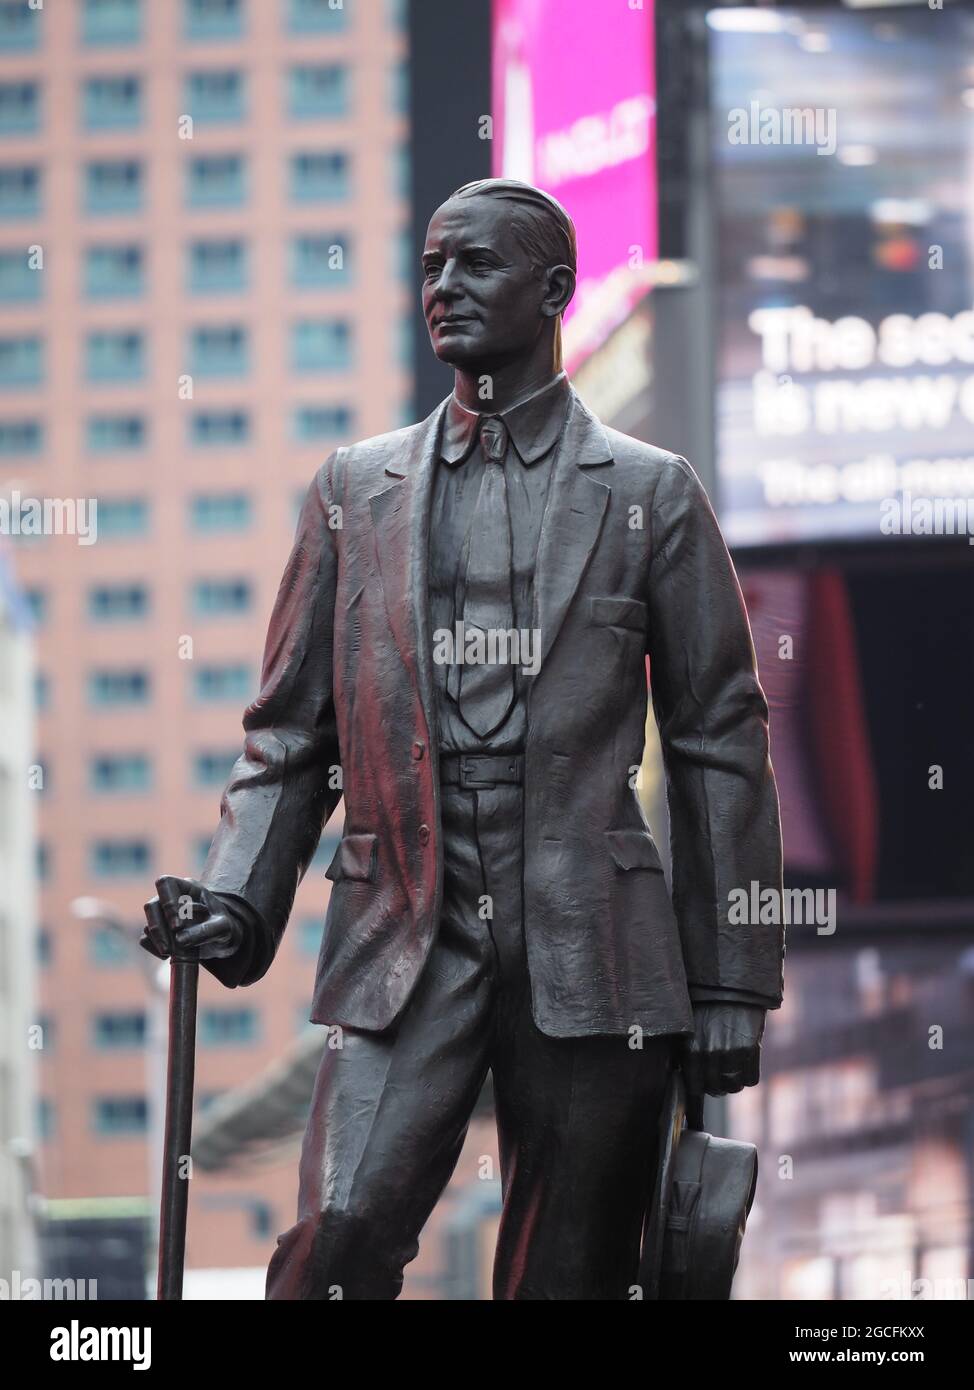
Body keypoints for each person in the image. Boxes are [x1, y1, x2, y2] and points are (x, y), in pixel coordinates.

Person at [142, 178, 784, 1300]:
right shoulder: (354, 491)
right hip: (403, 927)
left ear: (552, 290)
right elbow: (292, 733)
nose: (441, 287)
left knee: (568, 1274)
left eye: (474, 265)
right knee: (336, 1235)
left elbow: (717, 738)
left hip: (593, 939)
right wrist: (237, 898)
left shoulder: (649, 493)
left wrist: (729, 977)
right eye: (431, 264)